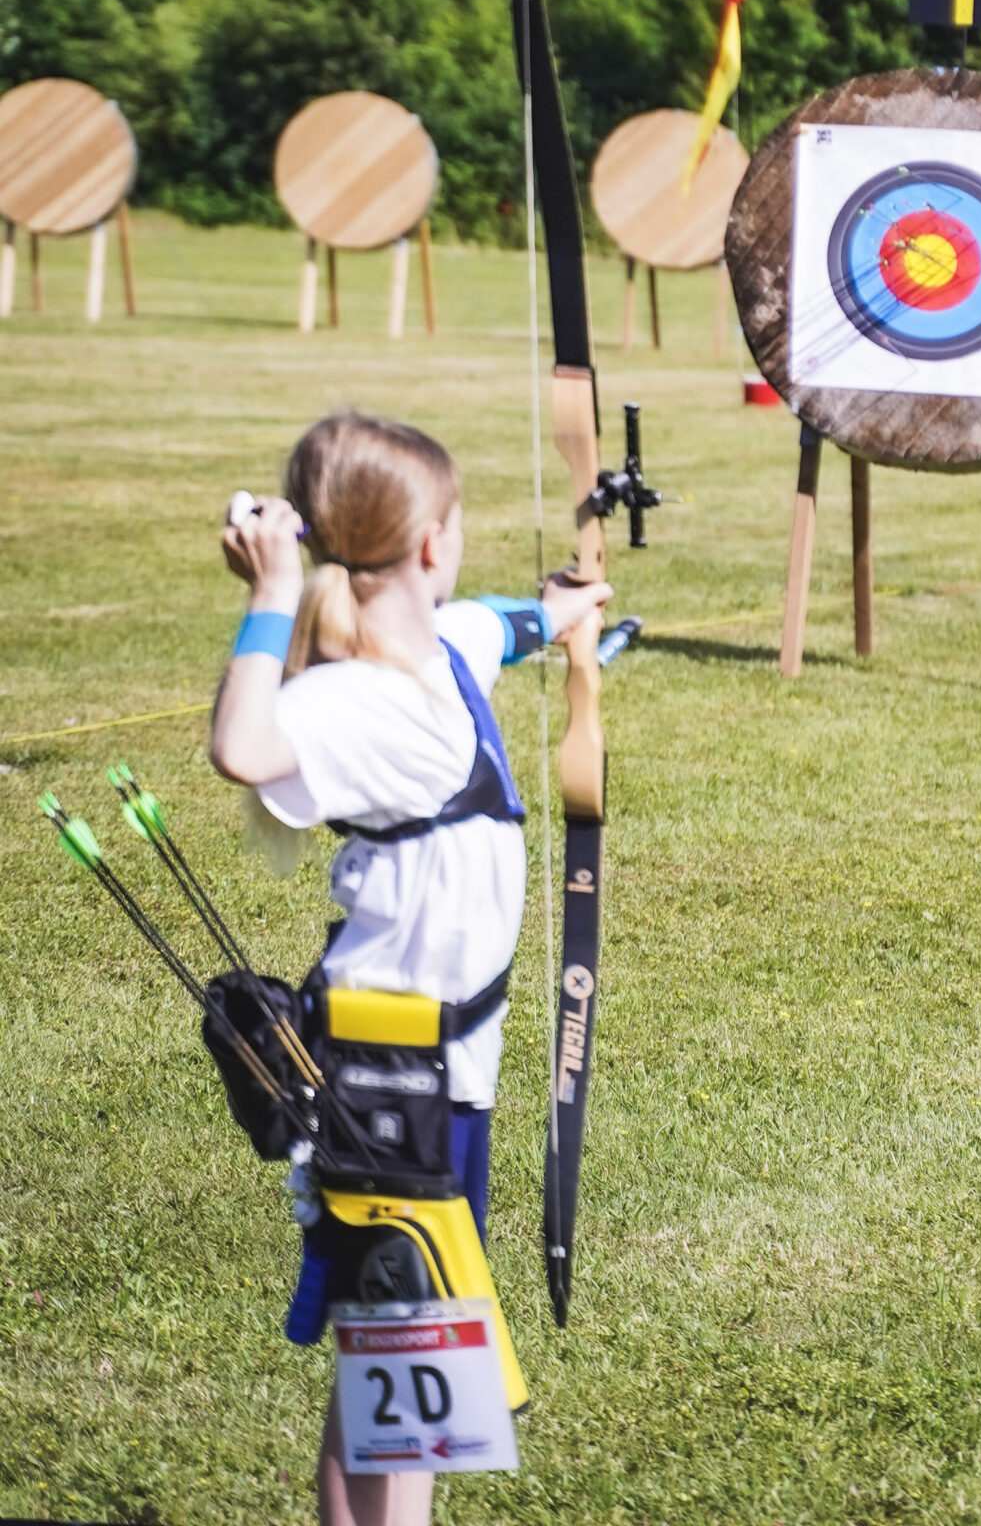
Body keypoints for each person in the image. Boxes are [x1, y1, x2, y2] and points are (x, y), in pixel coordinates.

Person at [211, 410, 611, 1526]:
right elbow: (243, 748)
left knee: (385, 1355)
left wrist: (568, 604)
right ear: (431, 541)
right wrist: (268, 596)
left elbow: (497, 626)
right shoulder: (363, 702)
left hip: (432, 1080)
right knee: (413, 1369)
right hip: (392, 1091)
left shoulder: (442, 655)